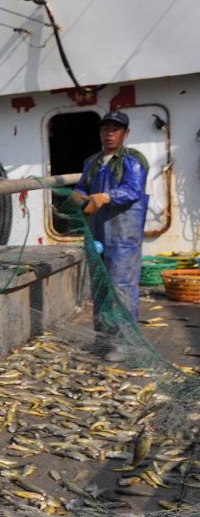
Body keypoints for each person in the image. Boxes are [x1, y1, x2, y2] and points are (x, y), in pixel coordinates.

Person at [72, 110, 149, 362]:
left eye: (115, 129)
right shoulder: (91, 162)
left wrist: (107, 197)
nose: (109, 134)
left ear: (125, 133)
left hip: (123, 235)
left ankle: (125, 343)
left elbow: (133, 189)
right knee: (100, 288)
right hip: (97, 233)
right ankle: (103, 339)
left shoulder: (133, 160)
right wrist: (78, 194)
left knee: (122, 287)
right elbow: (83, 185)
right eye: (105, 129)